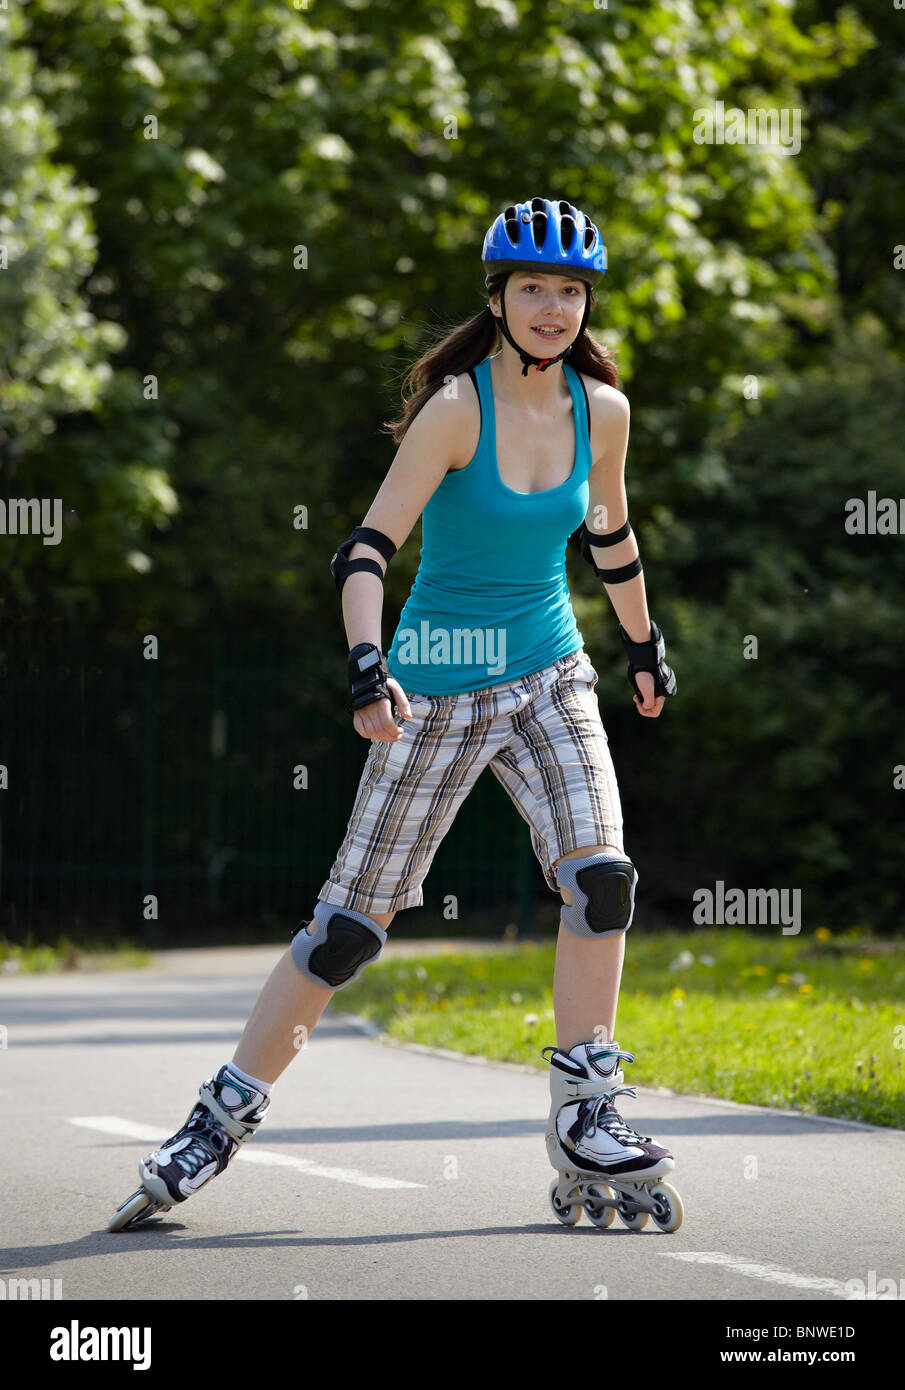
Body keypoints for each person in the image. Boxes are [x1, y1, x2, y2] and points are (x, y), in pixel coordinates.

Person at [108, 196, 681, 1234]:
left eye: (568, 289)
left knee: (599, 878)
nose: (551, 306)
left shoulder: (606, 410)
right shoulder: (456, 409)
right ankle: (217, 1119)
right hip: (437, 682)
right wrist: (369, 667)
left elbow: (609, 533)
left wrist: (641, 647)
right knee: (346, 933)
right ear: (496, 299)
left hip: (550, 671)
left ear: (583, 302)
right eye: (530, 288)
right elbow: (364, 549)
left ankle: (585, 1108)